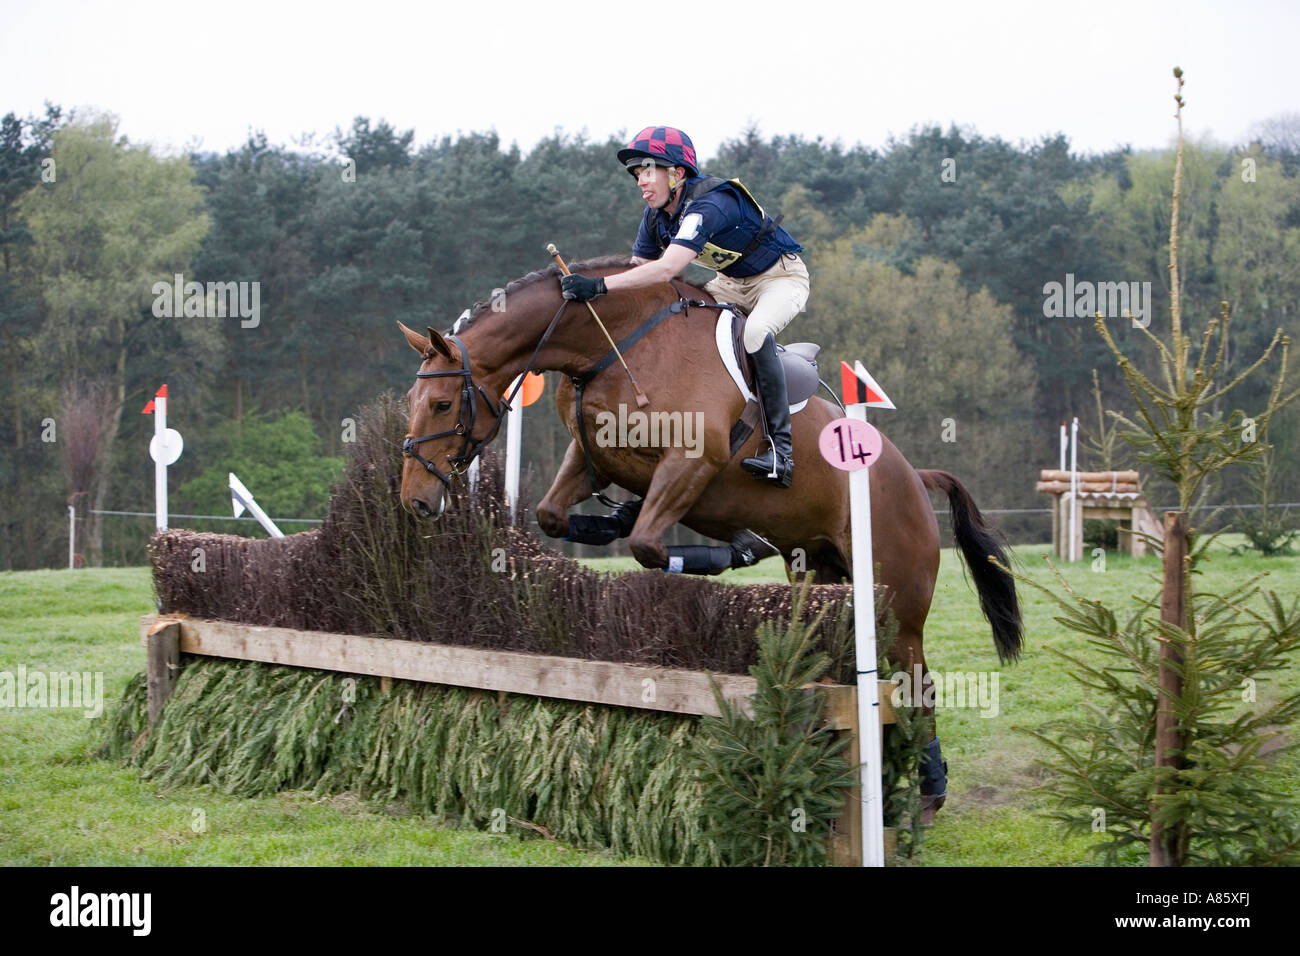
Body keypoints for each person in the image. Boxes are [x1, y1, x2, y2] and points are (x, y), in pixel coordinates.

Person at [560, 126, 809, 488]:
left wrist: (598, 286)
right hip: (730, 283)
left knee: (755, 333)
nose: (640, 183)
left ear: (677, 174)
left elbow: (665, 269)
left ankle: (781, 452)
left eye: (648, 172)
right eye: (637, 175)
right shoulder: (656, 216)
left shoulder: (711, 204)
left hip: (781, 279)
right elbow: (638, 276)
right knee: (680, 320)